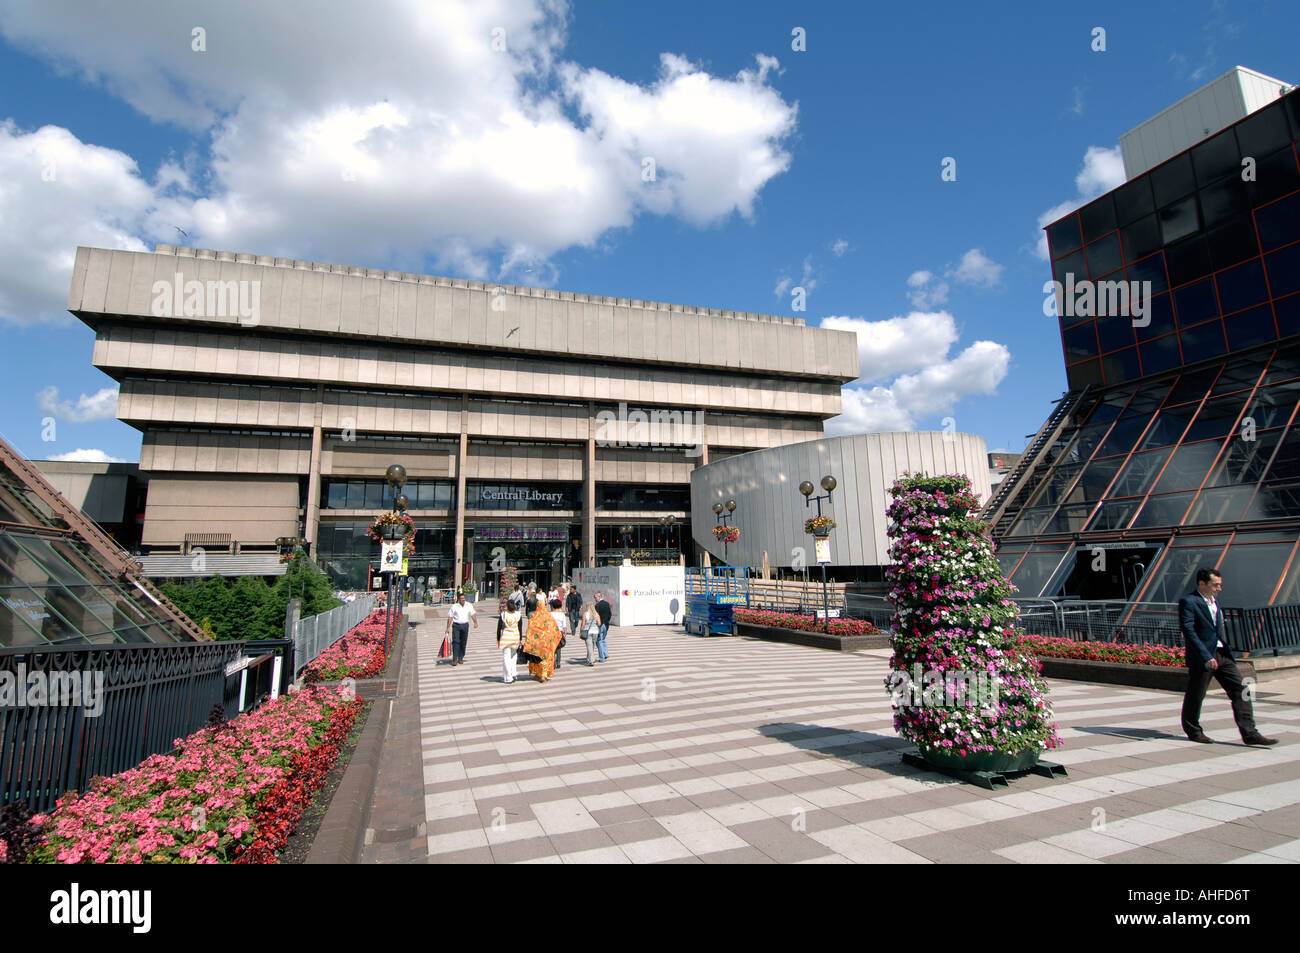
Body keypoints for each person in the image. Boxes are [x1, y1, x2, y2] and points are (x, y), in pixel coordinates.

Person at [1179, 568, 1276, 745]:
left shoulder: (1214, 601)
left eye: (1220, 585)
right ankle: (1193, 730)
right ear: (1202, 583)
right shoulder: (1189, 601)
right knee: (1196, 694)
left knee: (1242, 689)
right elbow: (1189, 630)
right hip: (1204, 656)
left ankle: (1250, 732)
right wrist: (1205, 655)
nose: (1219, 588)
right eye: (1215, 585)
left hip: (1222, 653)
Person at [522, 595, 564, 683]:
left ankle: (537, 674)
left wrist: (528, 641)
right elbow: (554, 629)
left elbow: (530, 629)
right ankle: (544, 676)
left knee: (536, 658)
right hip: (546, 644)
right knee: (545, 659)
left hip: (536, 644)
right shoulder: (549, 617)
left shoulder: (534, 617)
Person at [445, 591, 478, 666]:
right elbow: (450, 617)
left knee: (463, 642)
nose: (463, 600)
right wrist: (447, 628)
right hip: (456, 626)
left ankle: (461, 658)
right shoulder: (454, 606)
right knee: (456, 642)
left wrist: (475, 622)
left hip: (465, 625)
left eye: (464, 598)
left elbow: (473, 614)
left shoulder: (469, 605)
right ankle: (455, 659)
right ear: (458, 599)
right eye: (461, 598)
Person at [498, 600, 524, 683]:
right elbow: (520, 628)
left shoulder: (503, 615)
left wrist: (498, 639)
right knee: (513, 656)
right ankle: (513, 673)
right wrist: (520, 639)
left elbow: (499, 628)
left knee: (506, 658)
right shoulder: (518, 615)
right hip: (515, 637)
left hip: (506, 638)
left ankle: (508, 677)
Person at [549, 597, 569, 672]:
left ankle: (552, 662)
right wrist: (565, 634)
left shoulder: (550, 614)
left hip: (551, 632)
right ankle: (558, 662)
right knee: (558, 648)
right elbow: (564, 626)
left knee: (552, 648)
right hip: (559, 632)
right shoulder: (562, 615)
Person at [593, 591, 612, 663]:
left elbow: (596, 616)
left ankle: (602, 657)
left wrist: (598, 623)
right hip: (606, 624)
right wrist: (607, 621)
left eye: (595, 597)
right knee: (603, 639)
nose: (595, 599)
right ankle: (606, 653)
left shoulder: (597, 606)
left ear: (599, 597)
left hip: (600, 624)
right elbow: (610, 614)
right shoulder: (607, 604)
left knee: (599, 641)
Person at [582, 599, 602, 666]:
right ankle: (589, 658)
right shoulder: (596, 614)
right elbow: (599, 623)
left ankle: (591, 660)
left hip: (588, 631)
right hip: (595, 631)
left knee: (589, 646)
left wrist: (581, 631)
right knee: (592, 646)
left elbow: (583, 624)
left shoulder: (585, 614)